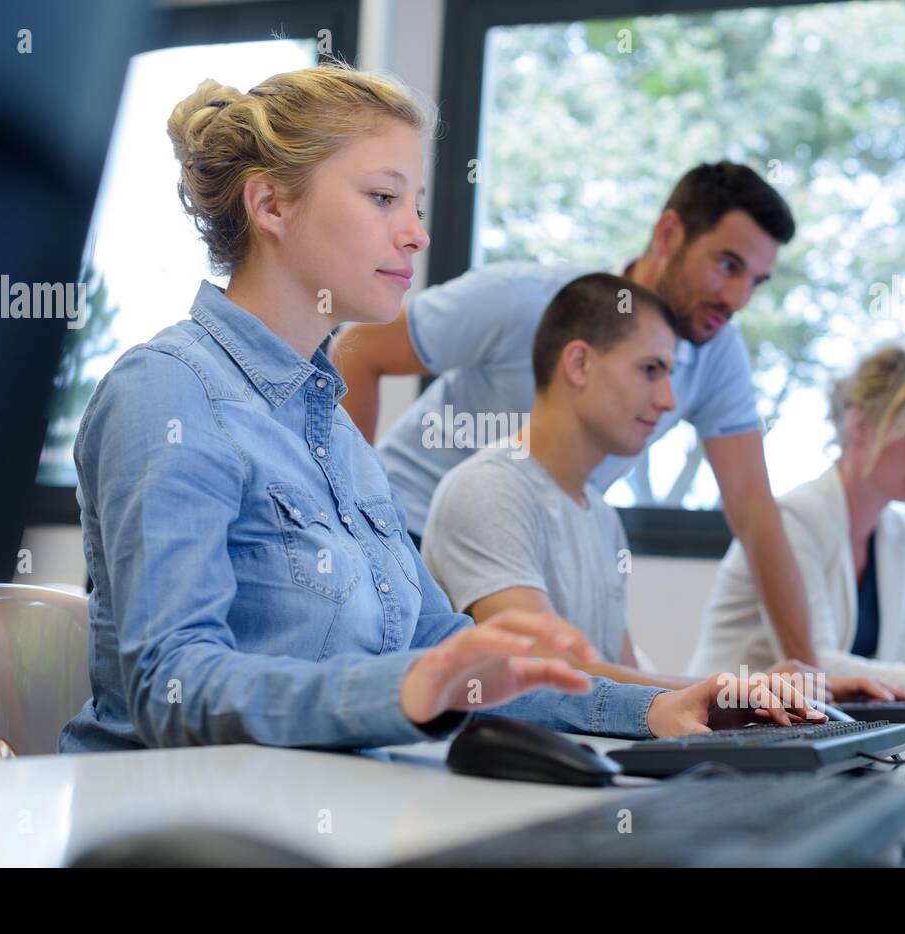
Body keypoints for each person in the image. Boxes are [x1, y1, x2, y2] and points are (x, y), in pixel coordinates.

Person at [58, 65, 814, 753]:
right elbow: (171, 687)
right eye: (384, 198)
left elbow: (442, 641)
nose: (416, 231)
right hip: (178, 827)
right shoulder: (165, 393)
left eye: (415, 204)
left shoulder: (344, 442)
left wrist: (659, 708)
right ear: (270, 204)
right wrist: (409, 687)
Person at [331, 161, 824, 666]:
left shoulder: (713, 351)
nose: (738, 298)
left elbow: (753, 508)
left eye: (757, 282)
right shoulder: (525, 300)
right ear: (669, 234)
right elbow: (360, 348)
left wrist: (810, 679)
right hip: (411, 531)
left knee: (587, 688)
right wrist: (354, 525)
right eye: (727, 265)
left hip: (533, 549)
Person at [424, 274, 905, 705]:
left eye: (671, 375)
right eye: (651, 370)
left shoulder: (599, 514)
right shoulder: (489, 489)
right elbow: (547, 670)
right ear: (578, 364)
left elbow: (630, 677)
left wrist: (767, 694)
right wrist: (736, 691)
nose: (669, 400)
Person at [691, 343, 905, 701]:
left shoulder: (899, 533)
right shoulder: (795, 519)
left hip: (806, 725)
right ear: (860, 425)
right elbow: (812, 666)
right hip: (725, 723)